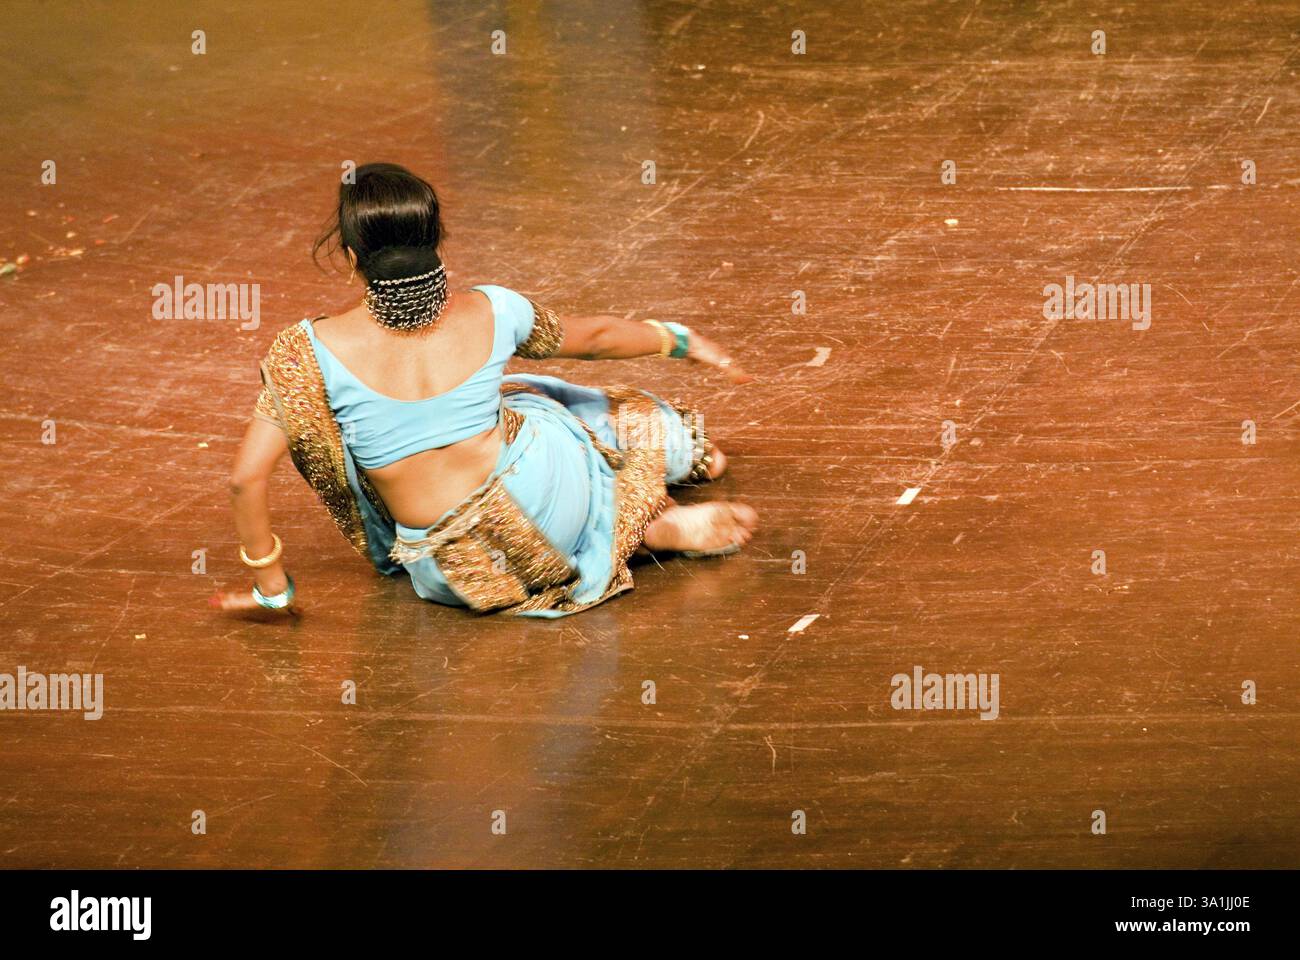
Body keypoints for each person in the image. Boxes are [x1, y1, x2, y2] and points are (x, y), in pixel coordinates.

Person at [214, 163, 758, 619]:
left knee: (499, 403)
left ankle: (645, 534)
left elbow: (245, 479)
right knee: (535, 397)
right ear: (436, 242)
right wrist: (680, 340)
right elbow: (595, 338)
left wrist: (271, 588)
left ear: (354, 259)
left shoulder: (304, 353)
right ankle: (672, 466)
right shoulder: (495, 310)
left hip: (463, 571)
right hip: (552, 496)